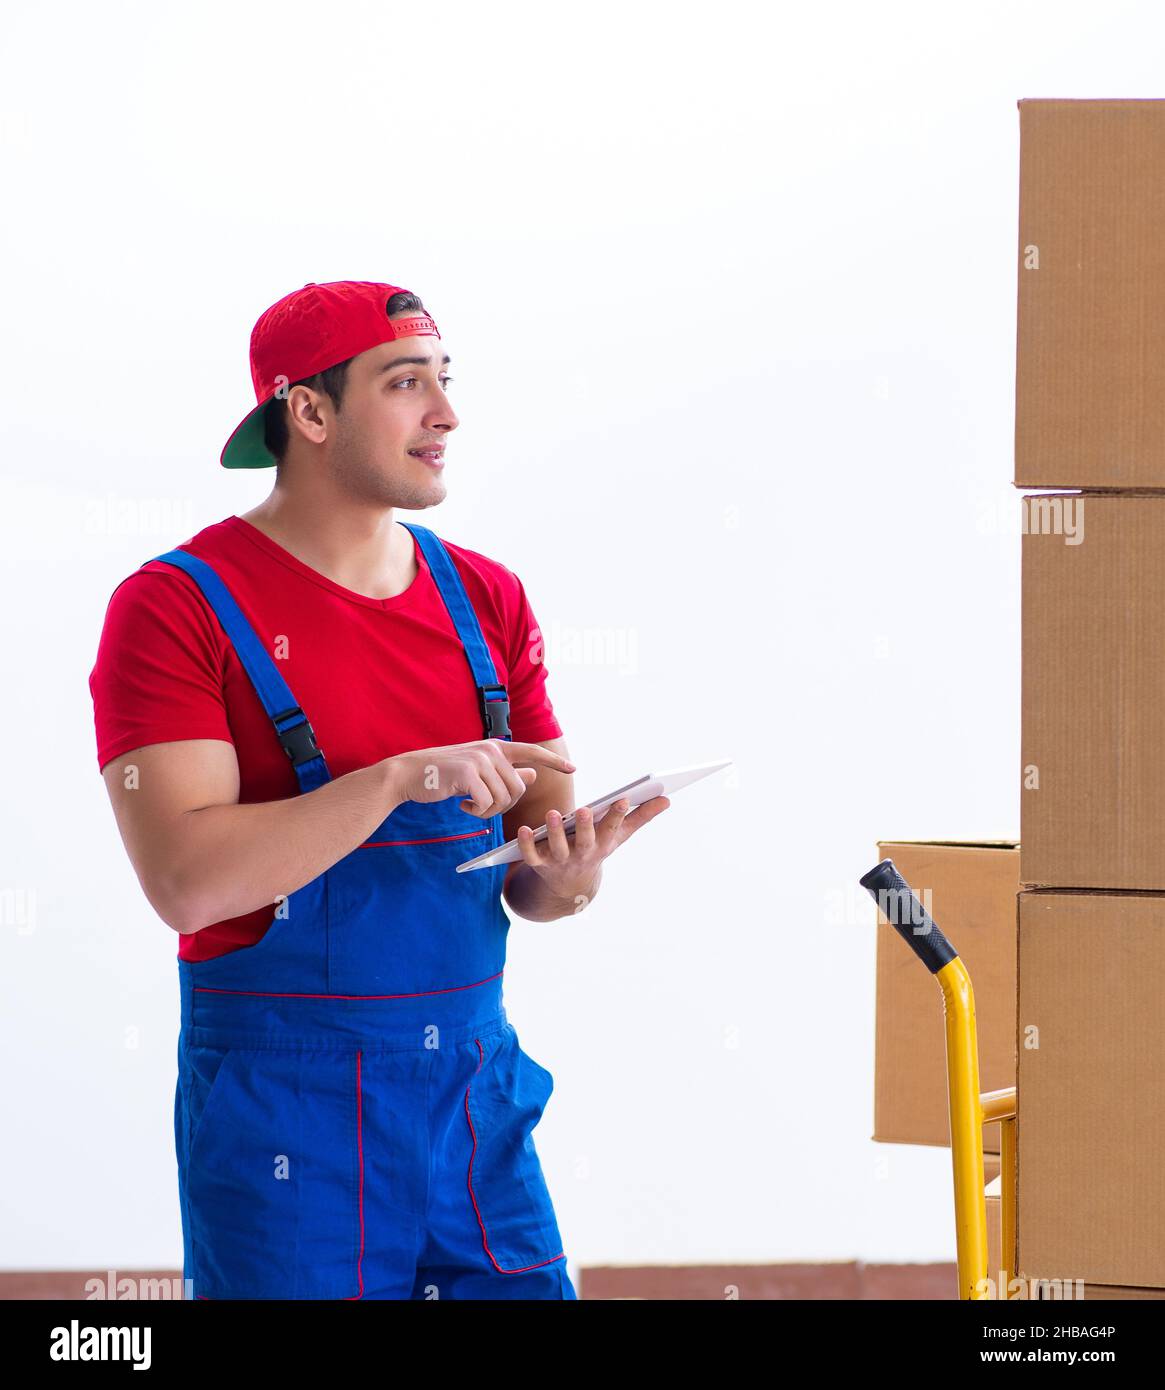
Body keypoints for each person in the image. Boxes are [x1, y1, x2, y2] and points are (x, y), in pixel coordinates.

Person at [88, 279, 670, 1300]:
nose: (445, 414)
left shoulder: (485, 596)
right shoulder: (176, 608)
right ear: (307, 412)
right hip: (286, 1116)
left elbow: (540, 877)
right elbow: (186, 883)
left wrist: (571, 875)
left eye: (445, 381)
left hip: (470, 1102)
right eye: (406, 384)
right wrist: (397, 779)